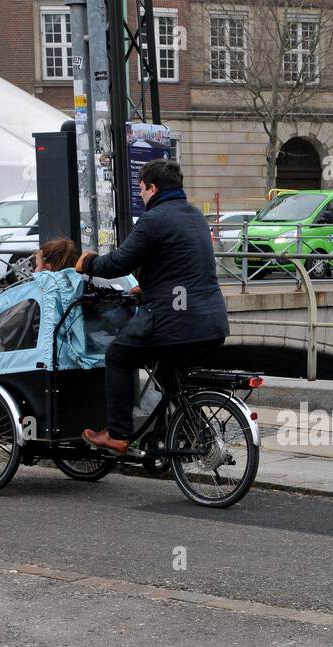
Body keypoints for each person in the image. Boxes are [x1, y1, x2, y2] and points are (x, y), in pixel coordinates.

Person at [73, 159, 230, 453]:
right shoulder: (195, 216)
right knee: (170, 378)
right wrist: (149, 286)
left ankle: (118, 433)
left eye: (141, 190)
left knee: (118, 356)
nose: (141, 195)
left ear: (153, 188)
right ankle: (191, 434)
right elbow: (182, 265)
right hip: (212, 322)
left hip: (176, 321)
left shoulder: (154, 219)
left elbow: (119, 262)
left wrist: (88, 263)